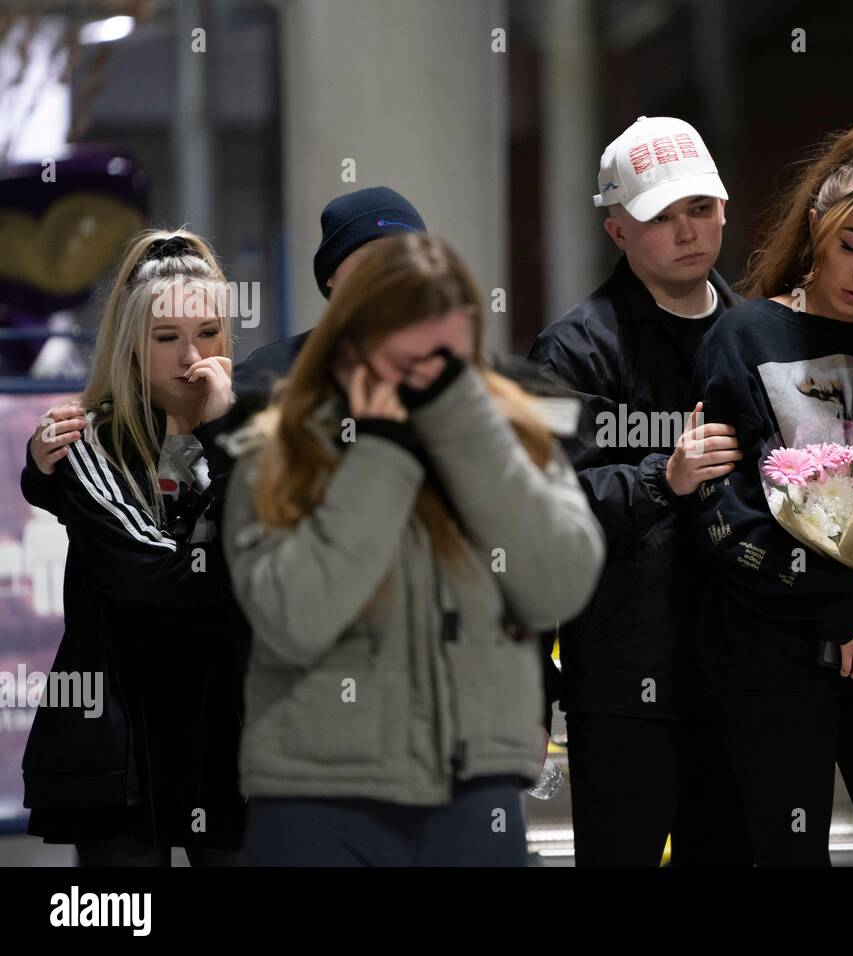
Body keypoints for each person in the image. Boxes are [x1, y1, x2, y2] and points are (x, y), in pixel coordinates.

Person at [223, 231, 604, 866]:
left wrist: (468, 430)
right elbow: (295, 618)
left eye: (449, 364)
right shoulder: (279, 450)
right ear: (349, 351)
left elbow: (559, 583)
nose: (429, 387)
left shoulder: (512, 439)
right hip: (315, 795)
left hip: (474, 791)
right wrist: (381, 454)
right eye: (405, 365)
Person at [689, 110, 853, 866]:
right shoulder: (744, 337)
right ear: (814, 227)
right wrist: (843, 607)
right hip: (772, 657)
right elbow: (725, 519)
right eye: (850, 246)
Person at [527, 115, 750, 867]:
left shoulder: (758, 336)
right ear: (617, 230)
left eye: (700, 209)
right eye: (660, 217)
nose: (687, 232)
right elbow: (548, 508)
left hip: (743, 673)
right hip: (627, 683)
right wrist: (666, 477)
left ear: (724, 207)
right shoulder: (575, 349)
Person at [20, 230, 245, 866]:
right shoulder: (85, 441)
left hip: (227, 741)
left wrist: (228, 438)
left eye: (207, 333)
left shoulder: (250, 435)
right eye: (167, 337)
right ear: (131, 343)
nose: (191, 356)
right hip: (122, 748)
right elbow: (160, 576)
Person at [21, 186, 428, 497]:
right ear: (331, 277)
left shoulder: (459, 383)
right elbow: (176, 515)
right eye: (370, 261)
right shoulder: (267, 377)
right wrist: (43, 473)